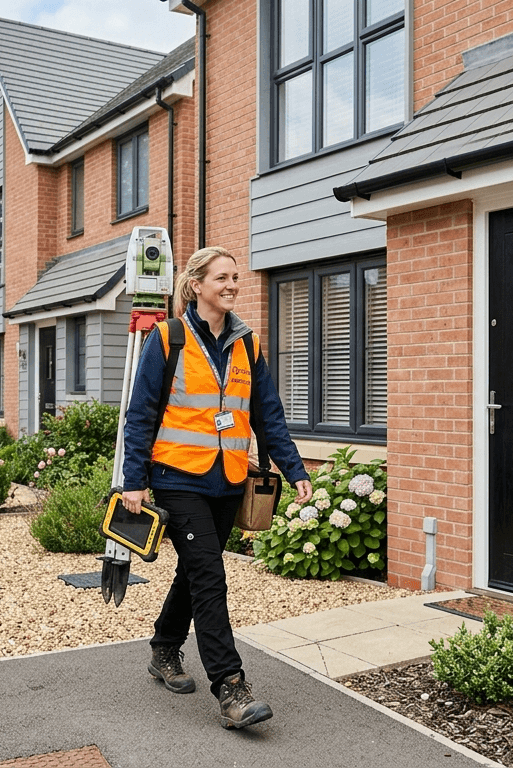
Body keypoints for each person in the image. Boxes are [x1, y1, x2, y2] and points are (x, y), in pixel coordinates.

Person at [121, 245, 311, 729]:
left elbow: (267, 413)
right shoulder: (168, 339)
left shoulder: (248, 344)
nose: (231, 285)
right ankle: (231, 687)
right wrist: (134, 481)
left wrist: (294, 469)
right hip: (177, 478)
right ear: (195, 285)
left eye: (235, 278)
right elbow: (140, 414)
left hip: (229, 480)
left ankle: (164, 648)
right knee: (209, 574)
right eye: (221, 277)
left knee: (195, 568)